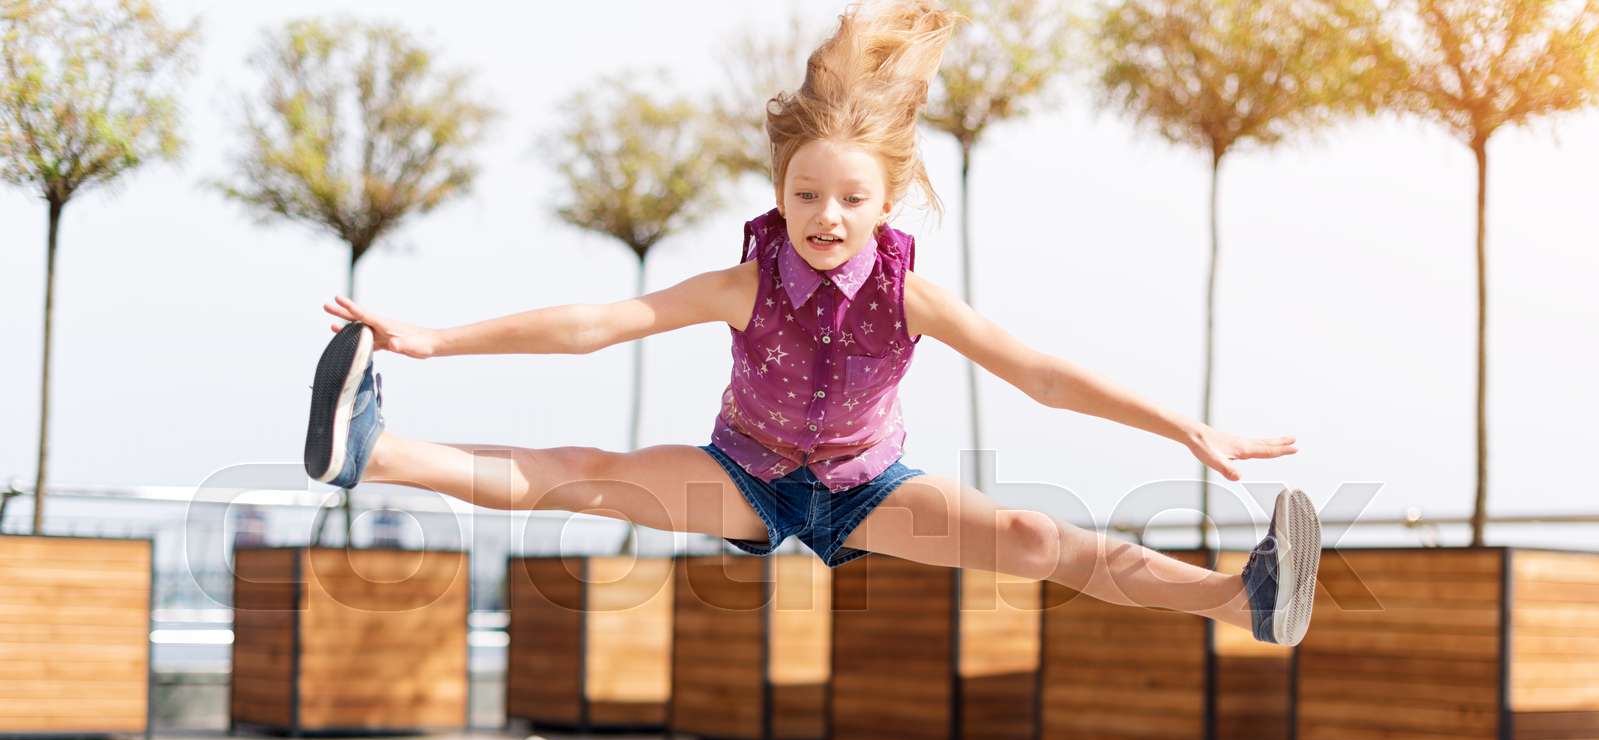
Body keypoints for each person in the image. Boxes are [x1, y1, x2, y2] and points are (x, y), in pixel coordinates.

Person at [302, 0, 1321, 646]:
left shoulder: (909, 297)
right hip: (743, 473)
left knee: (1033, 534)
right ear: (780, 194)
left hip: (866, 488)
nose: (825, 216)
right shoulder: (746, 283)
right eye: (805, 195)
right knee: (575, 468)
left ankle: (1239, 599)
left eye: (848, 199)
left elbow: (1043, 376)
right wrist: (435, 339)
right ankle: (374, 450)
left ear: (886, 204)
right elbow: (599, 323)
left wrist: (1182, 429)